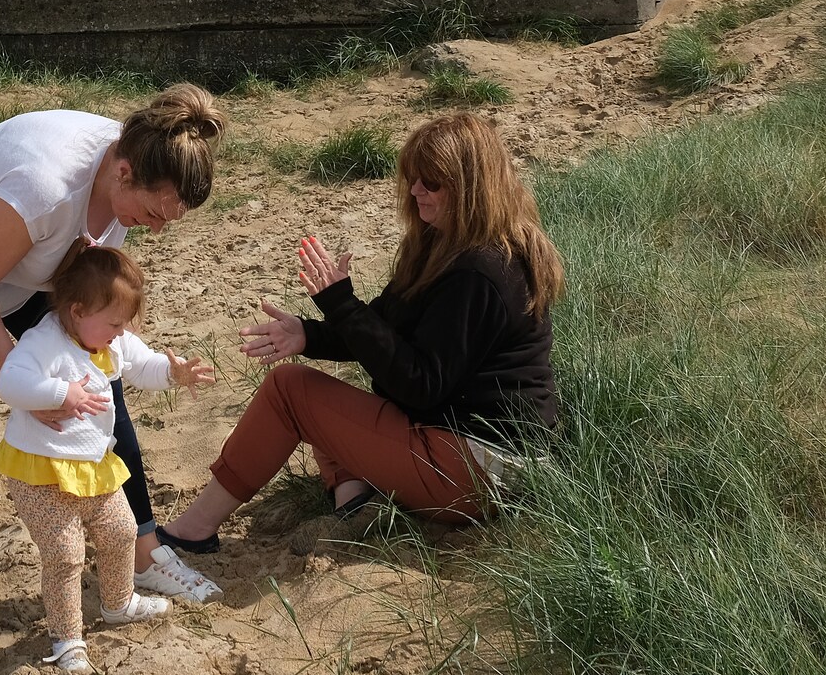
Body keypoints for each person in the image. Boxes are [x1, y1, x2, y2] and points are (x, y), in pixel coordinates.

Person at [0, 83, 229, 647]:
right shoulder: (44, 188)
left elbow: (87, 279)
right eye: (152, 213)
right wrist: (27, 386)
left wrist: (115, 339)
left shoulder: (131, 164)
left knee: (105, 394)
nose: (157, 229)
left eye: (168, 219)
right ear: (123, 172)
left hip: (28, 265)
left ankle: (144, 555)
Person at [154, 112, 561, 554]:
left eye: (431, 181)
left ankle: (194, 529)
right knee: (333, 400)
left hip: (482, 468)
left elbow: (420, 383)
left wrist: (341, 303)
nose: (415, 190)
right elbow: (381, 330)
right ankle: (356, 503)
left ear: (469, 189)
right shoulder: (450, 248)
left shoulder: (479, 273)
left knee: (290, 390)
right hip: (470, 452)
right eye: (412, 176)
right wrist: (308, 335)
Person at [0, 243, 218, 673]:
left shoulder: (110, 340)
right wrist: (61, 393)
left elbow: (142, 364)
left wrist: (173, 373)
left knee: (122, 531)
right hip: (42, 473)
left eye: (123, 325)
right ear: (77, 311)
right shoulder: (44, 342)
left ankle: (118, 604)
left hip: (94, 467)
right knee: (65, 553)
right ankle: (67, 640)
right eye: (114, 323)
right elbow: (11, 382)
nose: (119, 332)